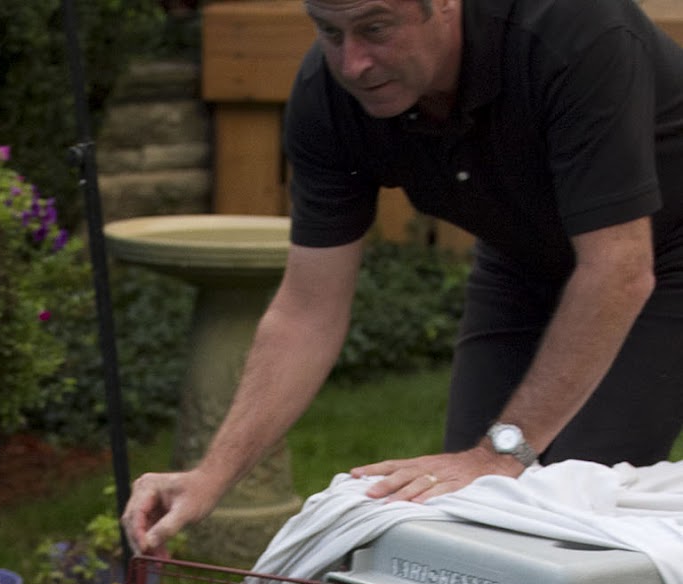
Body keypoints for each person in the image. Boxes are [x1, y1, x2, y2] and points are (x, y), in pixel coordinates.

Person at [123, 0, 683, 554]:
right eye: (330, 32)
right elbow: (306, 310)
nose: (353, 64)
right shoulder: (329, 97)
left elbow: (618, 269)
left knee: (570, 517)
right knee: (466, 514)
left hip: (663, 253)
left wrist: (500, 453)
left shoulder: (573, 34)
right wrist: (212, 475)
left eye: (375, 29)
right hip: (524, 260)